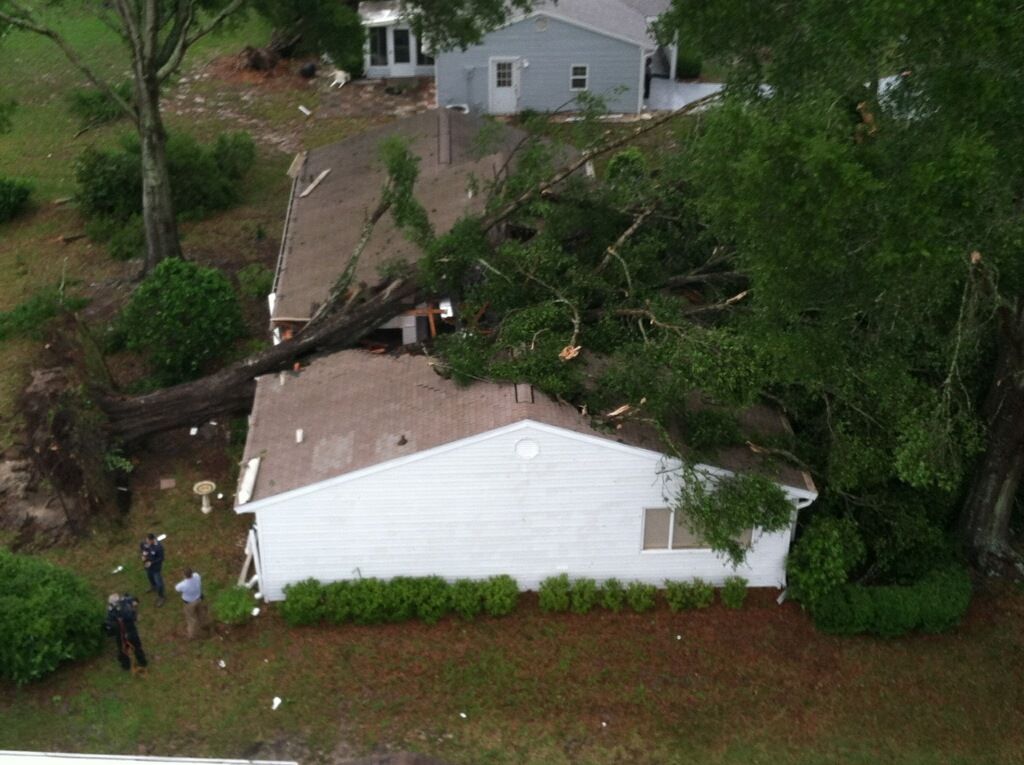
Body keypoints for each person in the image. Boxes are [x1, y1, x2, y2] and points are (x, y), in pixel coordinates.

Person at [104, 593, 148, 672]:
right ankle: (135, 663)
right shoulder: (121, 607)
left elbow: (133, 601)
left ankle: (135, 663)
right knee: (129, 648)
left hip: (126, 632)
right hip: (124, 632)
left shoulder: (116, 609)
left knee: (130, 648)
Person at [174, 568, 211, 640]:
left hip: (189, 603)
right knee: (201, 613)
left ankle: (191, 635)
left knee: (190, 619)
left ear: (184, 575)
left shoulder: (183, 585)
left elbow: (177, 588)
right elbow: (196, 574)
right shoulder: (197, 576)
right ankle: (203, 625)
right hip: (199, 599)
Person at [139, 533, 165, 607]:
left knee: (159, 583)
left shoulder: (159, 547)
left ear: (153, 540)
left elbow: (161, 558)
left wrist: (152, 563)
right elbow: (141, 548)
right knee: (149, 577)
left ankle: (161, 597)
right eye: (146, 540)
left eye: (148, 541)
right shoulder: (144, 543)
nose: (147, 542)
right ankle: (153, 586)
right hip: (147, 566)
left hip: (156, 568)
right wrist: (142, 555)